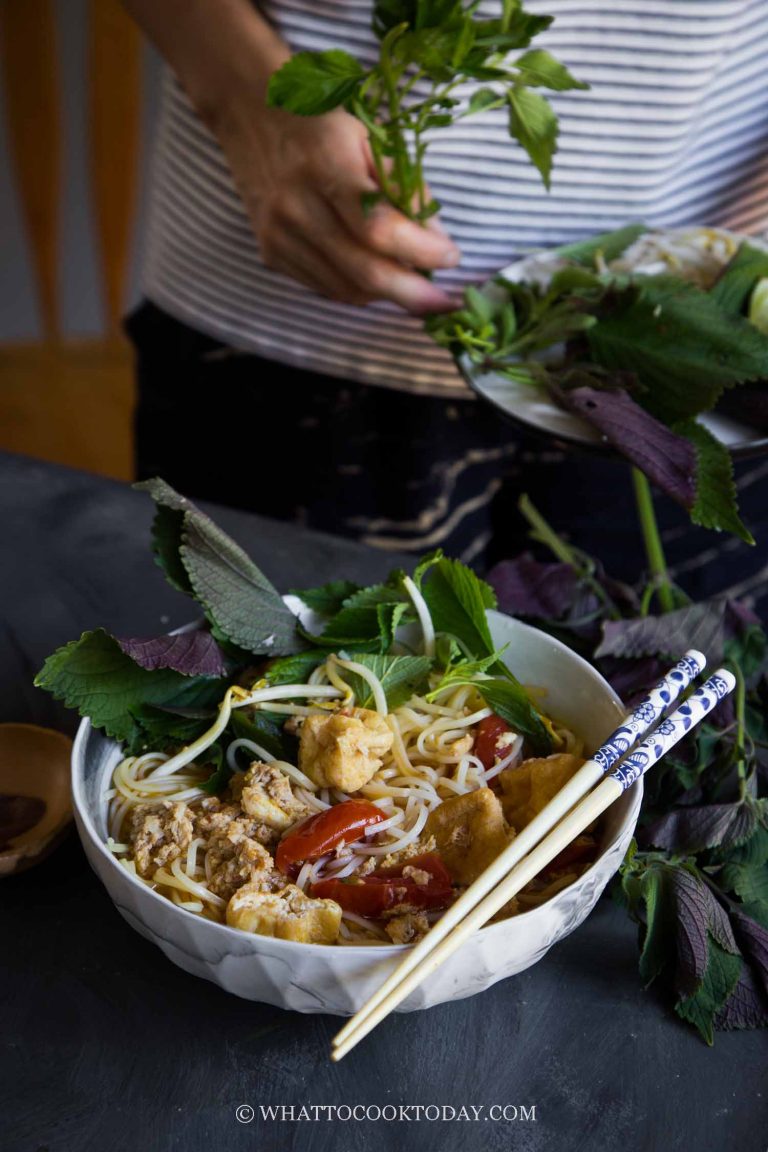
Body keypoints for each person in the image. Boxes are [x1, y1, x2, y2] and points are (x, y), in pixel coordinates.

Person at [124, 0, 768, 609]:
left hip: (714, 335)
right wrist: (246, 103)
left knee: (680, 676)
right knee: (266, 670)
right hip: (289, 314)